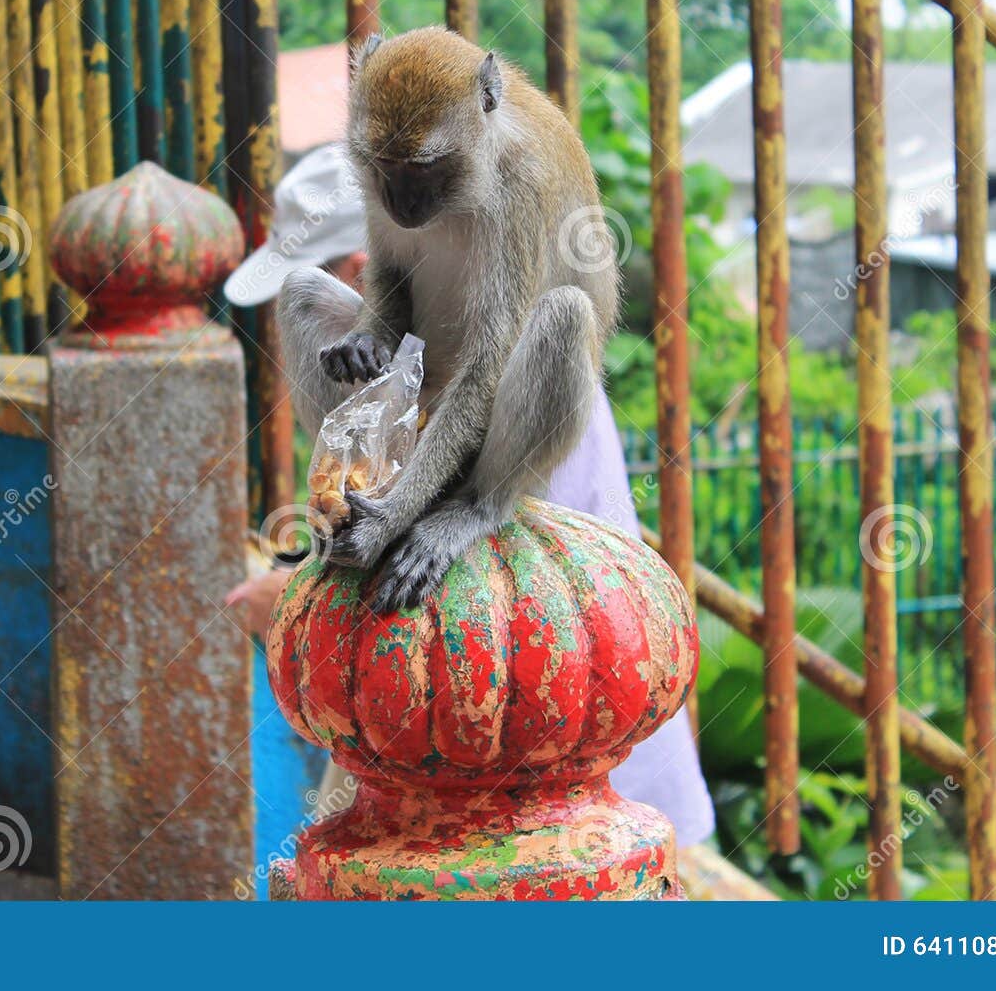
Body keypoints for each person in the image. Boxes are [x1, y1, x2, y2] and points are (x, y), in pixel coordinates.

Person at [225, 142, 716, 854]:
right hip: (473, 738)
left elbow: (486, 590)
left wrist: (293, 607)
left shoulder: (520, 361)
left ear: (362, 271)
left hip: (564, 748)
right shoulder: (406, 365)